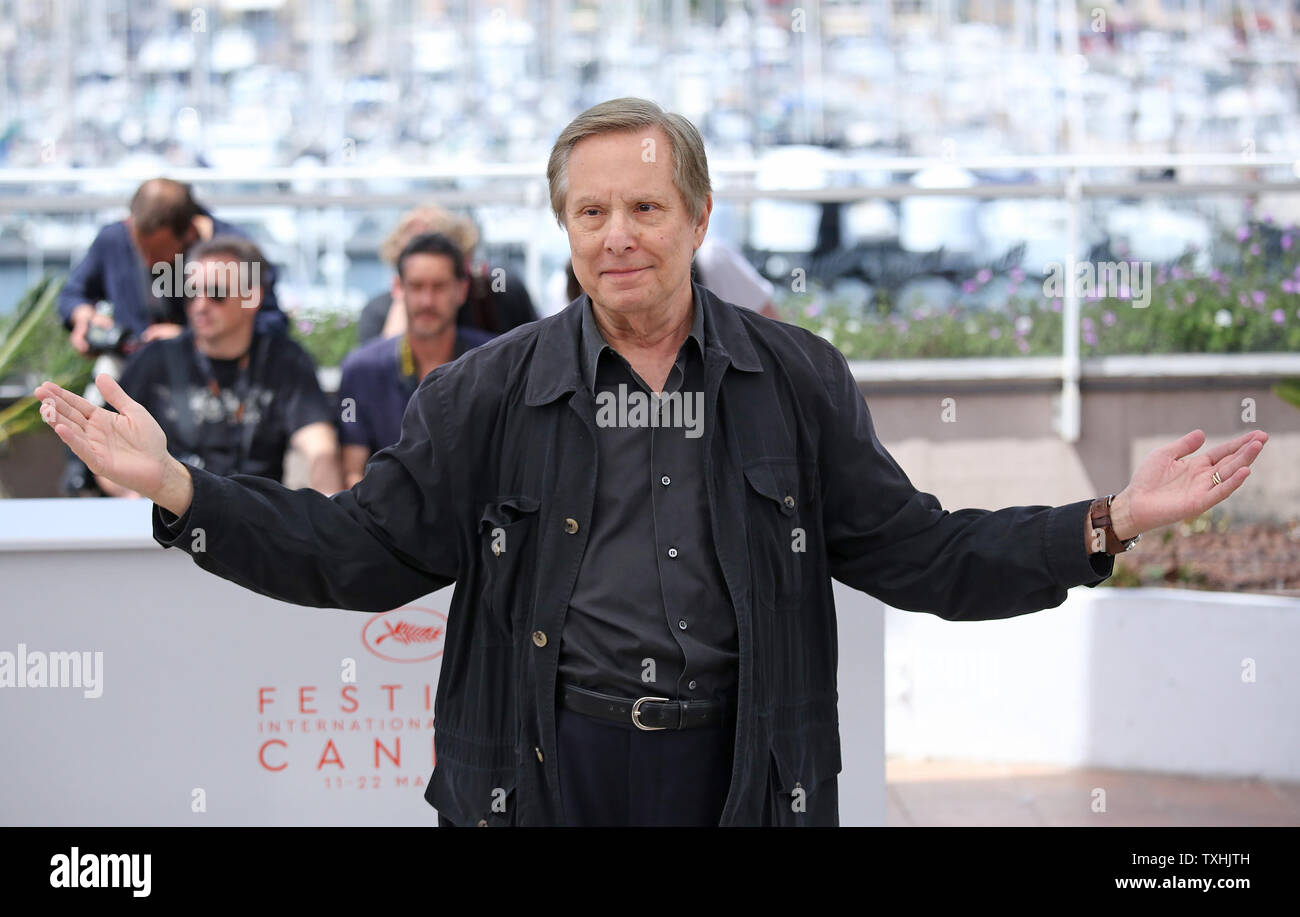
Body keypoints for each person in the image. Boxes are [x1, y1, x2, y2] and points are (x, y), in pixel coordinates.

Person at [36, 98, 1269, 827]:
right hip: (542, 764)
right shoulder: (485, 391)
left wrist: (1106, 520)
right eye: (589, 213)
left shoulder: (795, 381)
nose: (616, 236)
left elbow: (923, 551)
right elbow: (357, 552)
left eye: (644, 208)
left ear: (697, 217)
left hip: (744, 770)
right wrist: (180, 489)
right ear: (561, 227)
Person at [91, 236, 341, 499]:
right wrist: (143, 503)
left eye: (216, 294)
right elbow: (107, 452)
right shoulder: (156, 359)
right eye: (191, 293)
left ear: (251, 298)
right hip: (172, 518)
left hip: (255, 520)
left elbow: (320, 448)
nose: (200, 305)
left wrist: (327, 519)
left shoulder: (285, 360)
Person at [58, 178, 288, 360]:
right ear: (130, 223)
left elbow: (270, 324)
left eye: (159, 253)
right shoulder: (113, 240)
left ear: (189, 233)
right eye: (140, 250)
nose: (148, 262)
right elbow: (72, 294)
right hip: (132, 369)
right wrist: (83, 316)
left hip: (209, 374)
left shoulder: (235, 255)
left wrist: (192, 338)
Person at [336, 232, 495, 487]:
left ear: (462, 290)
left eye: (439, 286)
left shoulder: (496, 361)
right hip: (386, 518)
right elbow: (352, 474)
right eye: (417, 286)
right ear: (398, 289)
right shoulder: (363, 369)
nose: (427, 301)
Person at [356, 205, 537, 343]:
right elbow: (380, 370)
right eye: (416, 283)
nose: (427, 299)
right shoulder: (378, 312)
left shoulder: (500, 293)